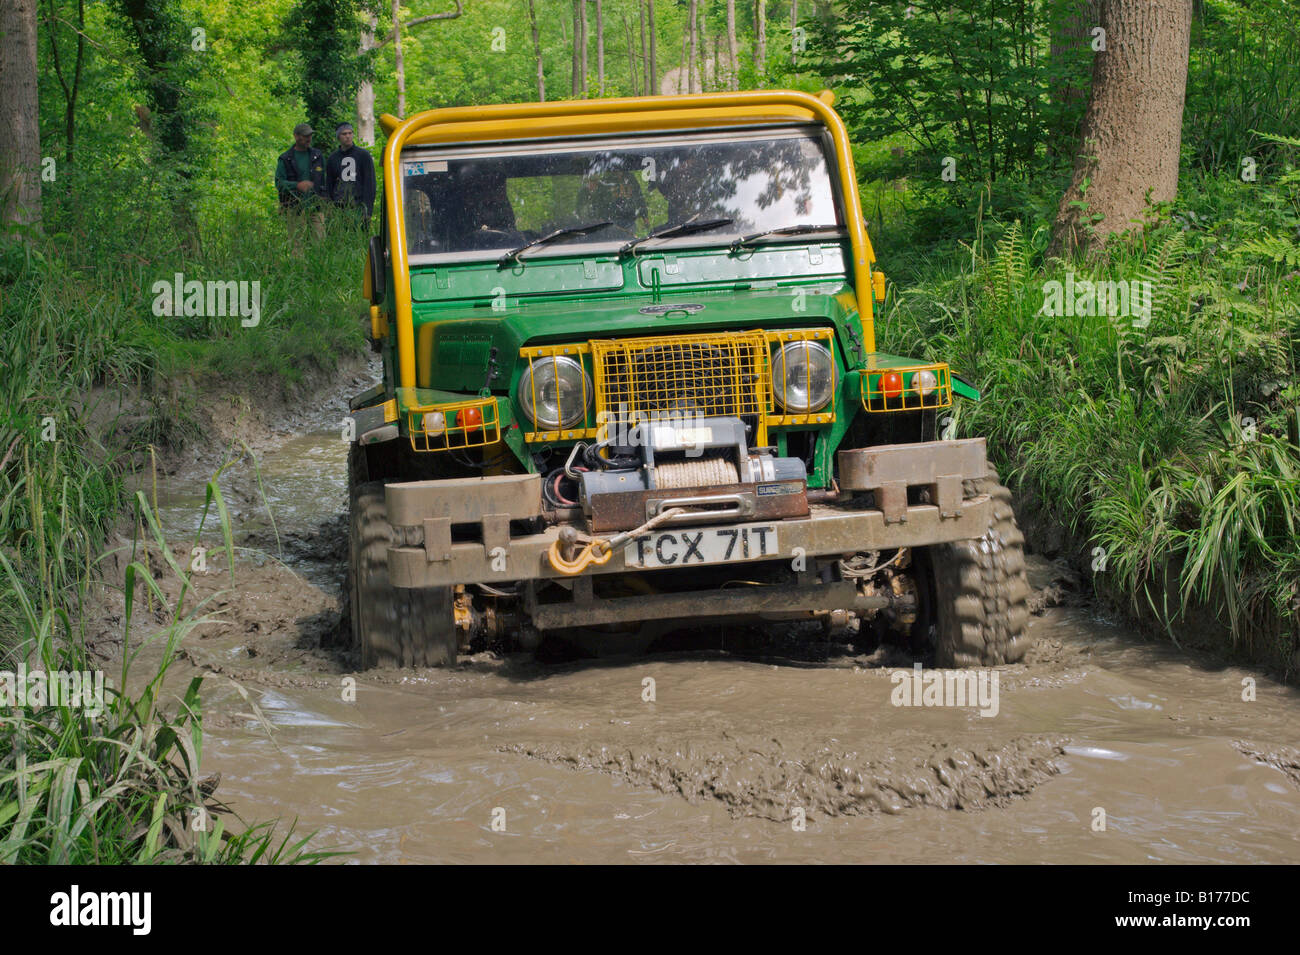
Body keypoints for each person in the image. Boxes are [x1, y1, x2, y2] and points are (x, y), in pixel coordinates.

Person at [275, 122, 327, 250]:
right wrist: (297, 185)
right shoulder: (285, 158)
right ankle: (299, 268)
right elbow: (279, 183)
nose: (308, 138)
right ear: (296, 136)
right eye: (305, 136)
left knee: (320, 242)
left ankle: (317, 268)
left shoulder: (317, 156)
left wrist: (326, 197)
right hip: (294, 208)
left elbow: (325, 178)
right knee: (297, 244)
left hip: (316, 206)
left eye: (310, 135)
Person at [326, 122, 376, 230]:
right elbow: (329, 184)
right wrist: (330, 207)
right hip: (339, 207)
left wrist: (368, 210)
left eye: (350, 133)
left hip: (358, 206)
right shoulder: (333, 159)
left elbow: (370, 184)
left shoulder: (363, 156)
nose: (348, 136)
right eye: (344, 134)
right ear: (338, 136)